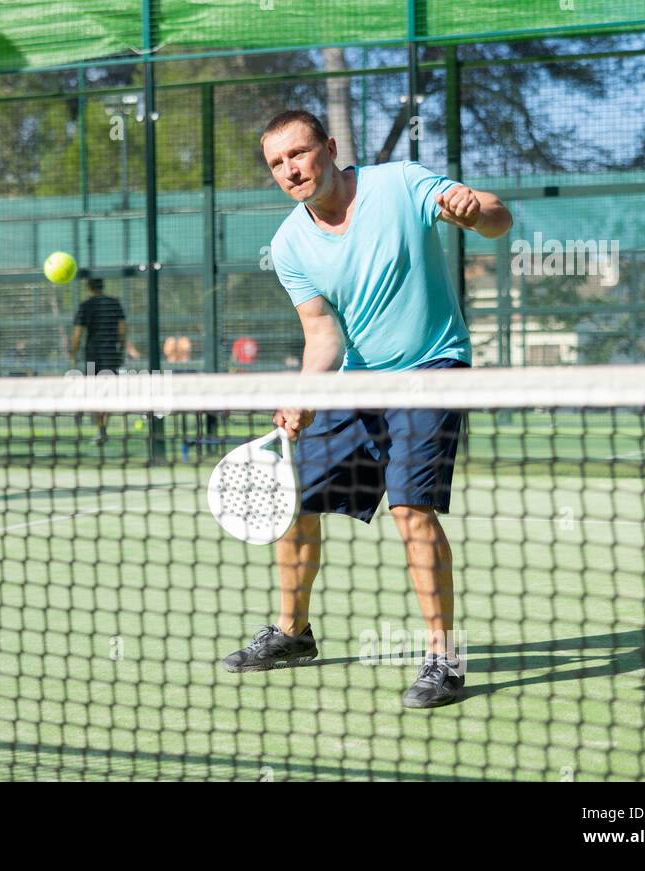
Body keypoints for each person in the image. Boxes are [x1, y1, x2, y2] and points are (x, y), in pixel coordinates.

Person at [221, 109, 511, 709]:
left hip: (432, 367)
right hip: (359, 382)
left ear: (329, 148)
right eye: (277, 163)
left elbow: (498, 220)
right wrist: (301, 395)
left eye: (299, 154)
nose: (290, 170)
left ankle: (443, 659)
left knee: (410, 507)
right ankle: (294, 633)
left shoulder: (399, 183)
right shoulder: (288, 245)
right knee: (296, 500)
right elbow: (323, 336)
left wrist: (473, 210)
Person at [70, 277, 126, 444]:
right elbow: (122, 329)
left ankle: (101, 429)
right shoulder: (114, 303)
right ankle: (103, 429)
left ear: (88, 287)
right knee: (109, 392)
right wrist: (121, 350)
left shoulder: (86, 305)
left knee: (94, 392)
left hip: (93, 355)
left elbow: (77, 334)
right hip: (110, 354)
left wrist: (73, 353)